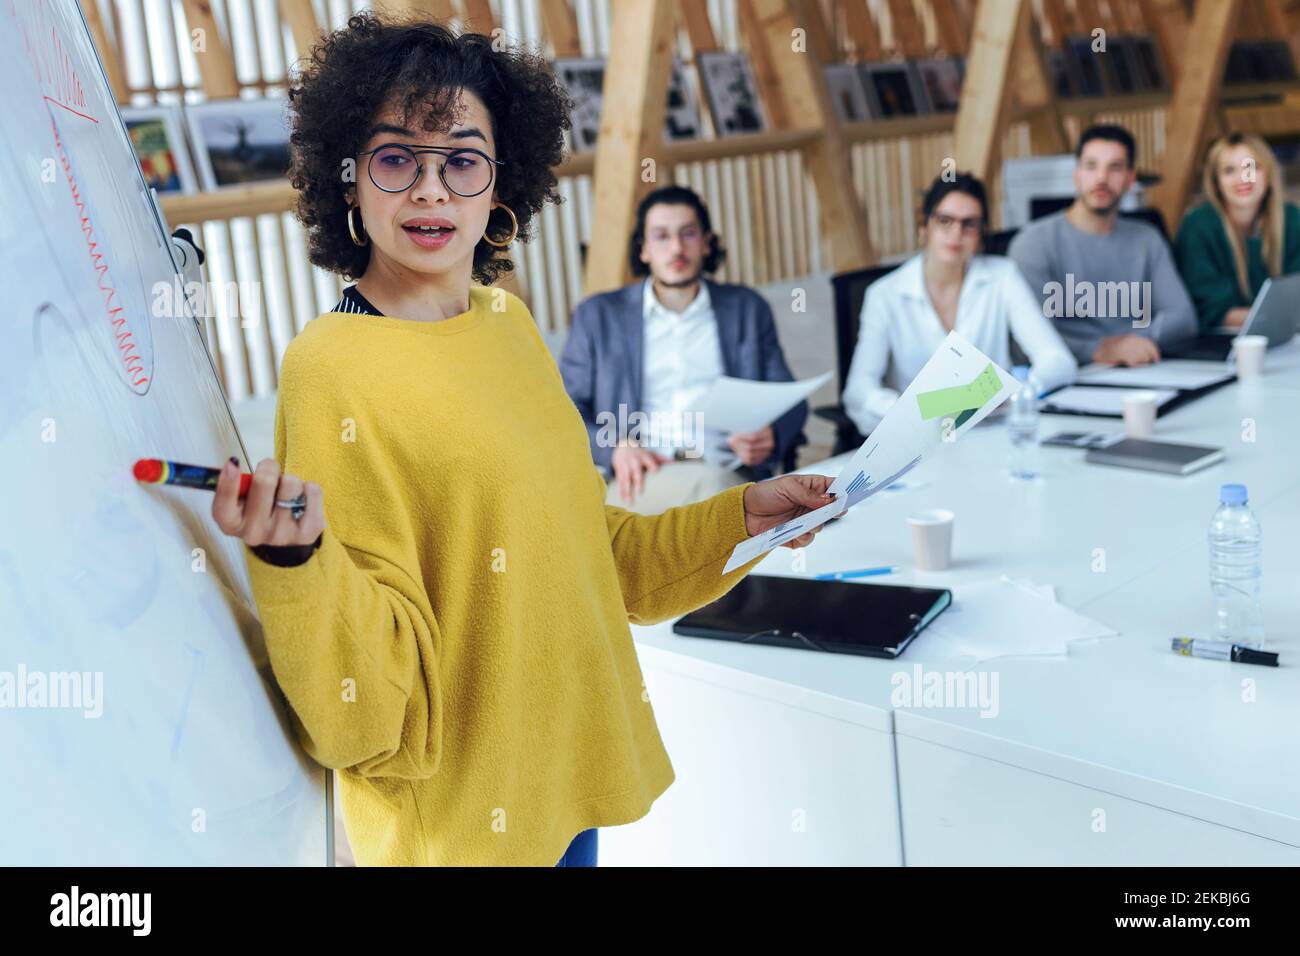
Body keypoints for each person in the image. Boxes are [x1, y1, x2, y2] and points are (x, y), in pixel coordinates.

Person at [208, 14, 833, 868]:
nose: (431, 191)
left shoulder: (510, 324)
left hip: (563, 788)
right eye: (396, 158)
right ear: (348, 181)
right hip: (464, 828)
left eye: (462, 160)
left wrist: (743, 519)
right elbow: (367, 690)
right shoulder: (329, 366)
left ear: (501, 188)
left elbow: (592, 556)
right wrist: (295, 564)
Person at [560, 185, 807, 514]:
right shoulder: (599, 315)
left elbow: (789, 399)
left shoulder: (746, 308)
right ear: (644, 249)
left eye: (688, 234)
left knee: (726, 497)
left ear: (706, 244)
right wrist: (614, 449)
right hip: (641, 480)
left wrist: (771, 435)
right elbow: (564, 407)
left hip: (729, 470)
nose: (676, 248)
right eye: (661, 236)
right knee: (724, 505)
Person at [842, 173, 1076, 436]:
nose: (956, 233)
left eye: (969, 224)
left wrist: (1014, 394)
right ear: (924, 226)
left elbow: (1059, 361)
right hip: (918, 439)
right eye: (945, 221)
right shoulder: (885, 294)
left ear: (981, 233)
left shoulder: (1003, 276)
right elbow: (857, 391)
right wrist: (911, 412)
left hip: (990, 431)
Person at [1009, 124, 1197, 367]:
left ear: (1130, 179)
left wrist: (1130, 344)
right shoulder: (1033, 243)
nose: (1101, 178)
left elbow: (1183, 318)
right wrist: (1098, 351)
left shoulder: (1147, 239)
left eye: (1115, 168)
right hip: (1069, 376)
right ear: (1076, 175)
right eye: (1091, 166)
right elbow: (1025, 341)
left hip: (1140, 367)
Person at [1175, 131, 1300, 333]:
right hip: (1218, 342)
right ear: (1216, 183)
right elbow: (1211, 309)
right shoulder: (1198, 226)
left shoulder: (1292, 219)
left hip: (1286, 337)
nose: (1243, 178)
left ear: (1268, 175)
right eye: (1229, 170)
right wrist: (1275, 318)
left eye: (1252, 167)